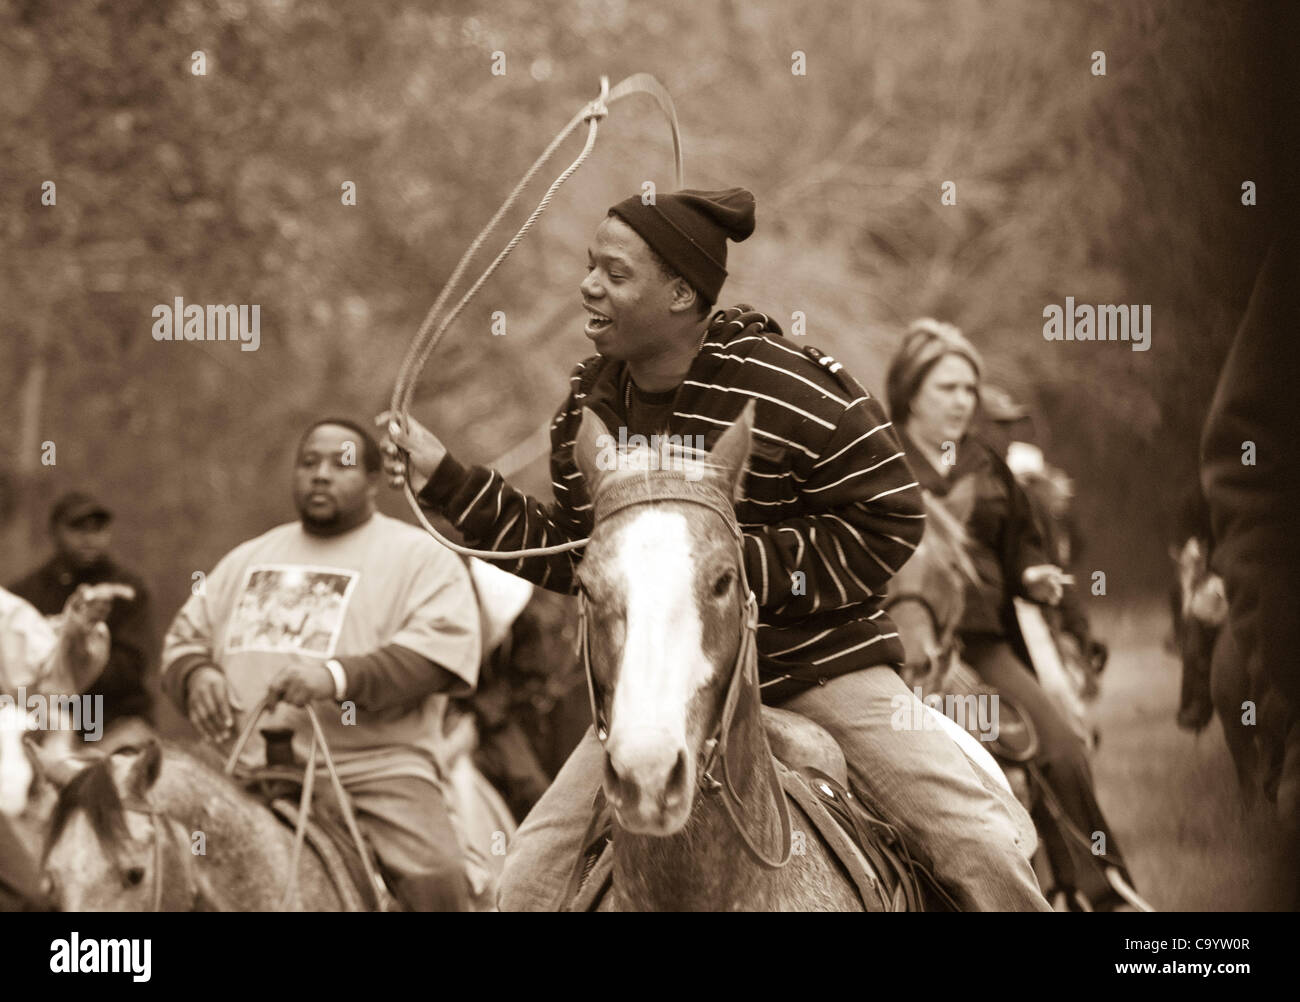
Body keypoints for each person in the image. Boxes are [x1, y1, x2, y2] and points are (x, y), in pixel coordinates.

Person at [385, 187, 1049, 911]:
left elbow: (889, 515)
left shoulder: (788, 384)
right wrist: (447, 482)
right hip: (653, 684)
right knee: (524, 884)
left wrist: (725, 577)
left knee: (979, 844)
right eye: (590, 267)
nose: (589, 285)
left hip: (819, 669)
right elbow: (582, 558)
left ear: (680, 292)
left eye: (614, 272)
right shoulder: (587, 405)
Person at [160, 418, 482, 911]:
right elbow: (184, 639)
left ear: (375, 480)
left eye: (341, 463)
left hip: (372, 770)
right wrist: (195, 673)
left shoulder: (421, 557)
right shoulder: (247, 557)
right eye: (309, 462)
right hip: (235, 768)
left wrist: (334, 677)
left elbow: (436, 658)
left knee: (437, 874)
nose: (321, 475)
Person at [886, 318, 1137, 910]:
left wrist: (1032, 575)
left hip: (985, 645)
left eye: (969, 389)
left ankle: (1096, 890)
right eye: (947, 387)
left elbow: (1023, 539)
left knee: (1062, 747)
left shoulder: (986, 461)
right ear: (911, 390)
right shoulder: (880, 457)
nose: (962, 401)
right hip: (905, 650)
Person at [10, 492, 154, 744]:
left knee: (119, 774)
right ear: (54, 532)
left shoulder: (126, 590)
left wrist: (79, 649)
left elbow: (132, 665)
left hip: (114, 722)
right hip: (43, 725)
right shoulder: (23, 596)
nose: (89, 539)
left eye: (98, 529)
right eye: (78, 528)